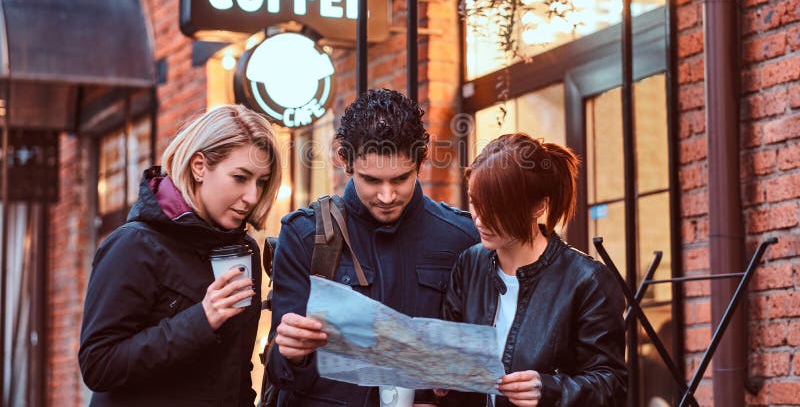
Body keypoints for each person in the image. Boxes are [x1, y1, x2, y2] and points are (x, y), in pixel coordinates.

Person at [267, 88, 479, 406]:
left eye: (400, 179)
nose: (387, 196)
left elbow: (480, 368)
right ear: (345, 161)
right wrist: (291, 353)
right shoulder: (304, 236)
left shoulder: (462, 237)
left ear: (421, 160)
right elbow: (278, 372)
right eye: (372, 180)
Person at [79, 104, 282, 406]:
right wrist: (201, 319)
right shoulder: (133, 245)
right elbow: (98, 364)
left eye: (261, 182)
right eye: (241, 177)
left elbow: (237, 372)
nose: (252, 196)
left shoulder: (244, 251)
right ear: (199, 166)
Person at [442, 133, 627, 407]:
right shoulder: (469, 265)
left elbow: (612, 386)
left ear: (538, 206)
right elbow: (452, 356)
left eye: (496, 208)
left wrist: (549, 390)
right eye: (474, 202)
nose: (480, 219)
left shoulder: (586, 280)